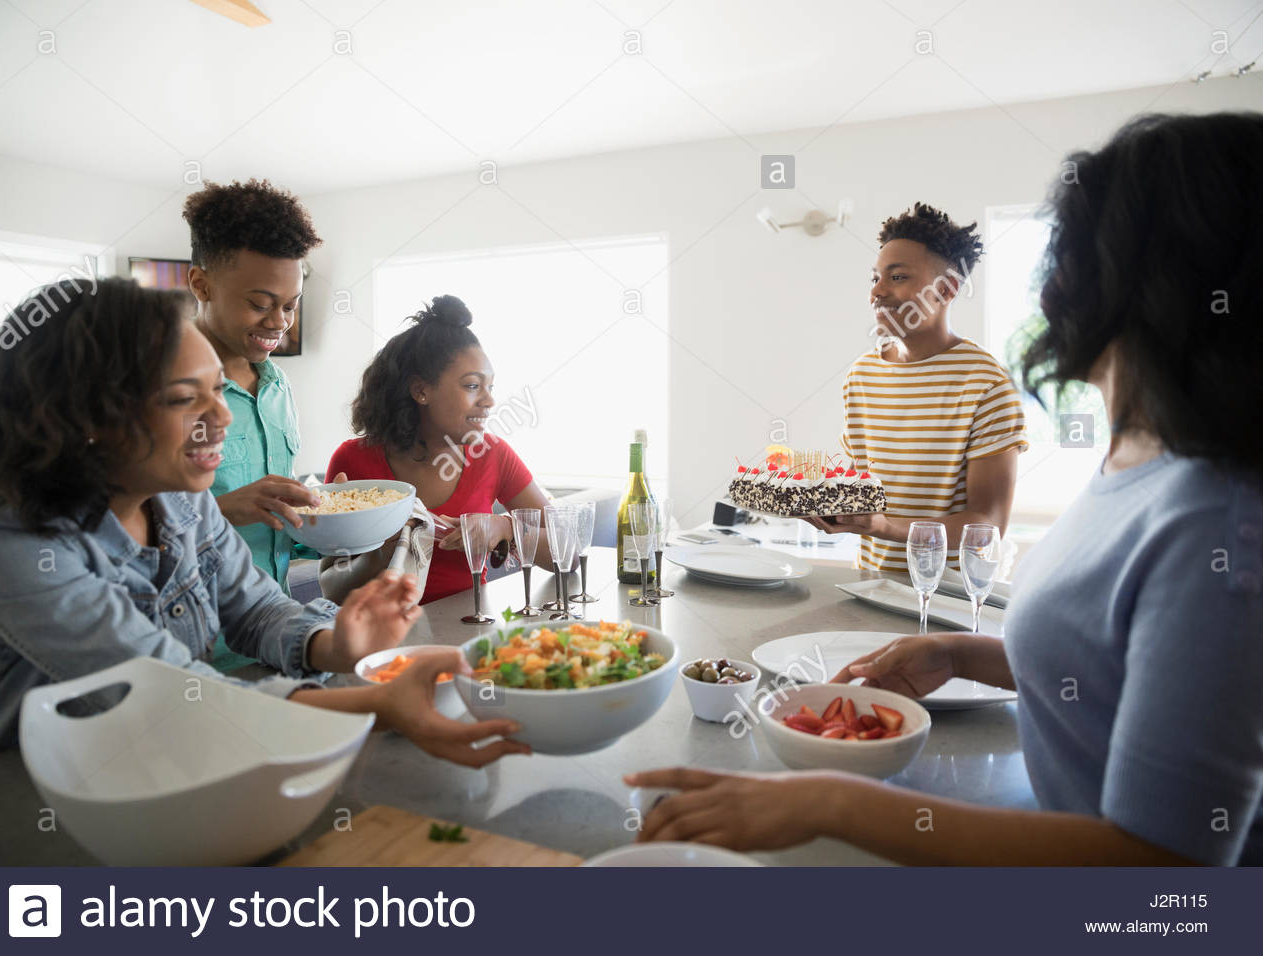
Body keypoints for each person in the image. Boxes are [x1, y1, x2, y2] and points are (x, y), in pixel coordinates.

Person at [629, 112, 1263, 865]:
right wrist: (960, 656)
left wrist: (837, 802)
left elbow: (1168, 875)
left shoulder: (1219, 526)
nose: (1056, 273)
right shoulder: (1135, 458)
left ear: (1165, 279)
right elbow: (1105, 659)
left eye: (1085, 243)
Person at [0, 277, 530, 767]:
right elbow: (172, 691)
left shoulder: (180, 500)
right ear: (89, 419)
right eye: (187, 398)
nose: (223, 416)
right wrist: (379, 706)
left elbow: (257, 609)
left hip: (162, 773)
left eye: (218, 390)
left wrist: (337, 644)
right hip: (24, 807)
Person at [808, 203, 1028, 572]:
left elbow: (988, 525)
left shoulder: (987, 384)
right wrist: (824, 504)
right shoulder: (861, 376)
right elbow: (862, 487)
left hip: (949, 605)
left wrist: (886, 527)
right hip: (869, 589)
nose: (877, 291)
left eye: (896, 277)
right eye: (874, 277)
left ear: (946, 290)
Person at [319, 295, 552, 605]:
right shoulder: (353, 461)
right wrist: (388, 550)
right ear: (421, 391)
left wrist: (506, 527)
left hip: (469, 632)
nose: (489, 401)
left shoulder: (494, 454)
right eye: (472, 386)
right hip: (383, 640)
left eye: (490, 387)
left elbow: (569, 554)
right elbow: (334, 587)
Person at [184, 179, 322, 668]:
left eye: (290, 305)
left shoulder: (278, 388)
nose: (279, 322)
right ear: (201, 284)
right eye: (260, 304)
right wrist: (222, 511)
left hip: (275, 635)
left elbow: (277, 525)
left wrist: (328, 516)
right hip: (193, 652)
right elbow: (120, 534)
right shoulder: (158, 393)